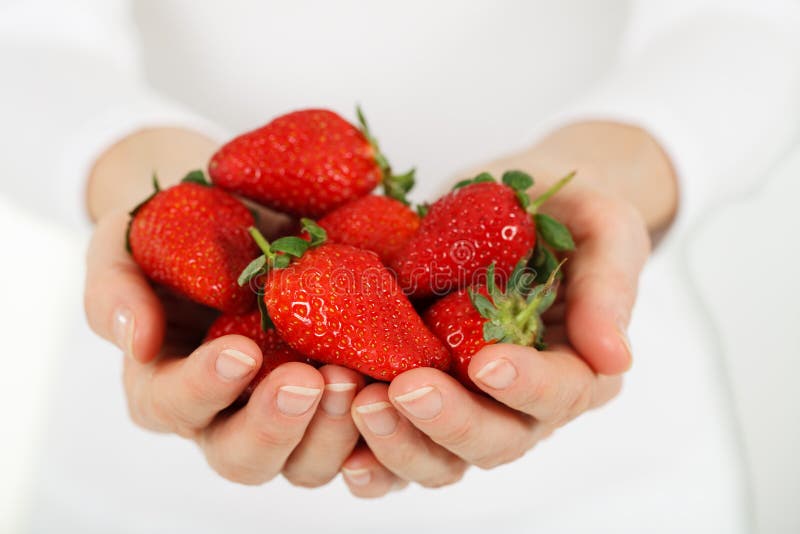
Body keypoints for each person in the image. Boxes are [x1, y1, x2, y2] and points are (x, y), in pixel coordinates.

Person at [2, 1, 799, 532]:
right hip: (147, 490)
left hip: (605, 484)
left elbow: (757, 23)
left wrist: (613, 163)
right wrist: (137, 165)